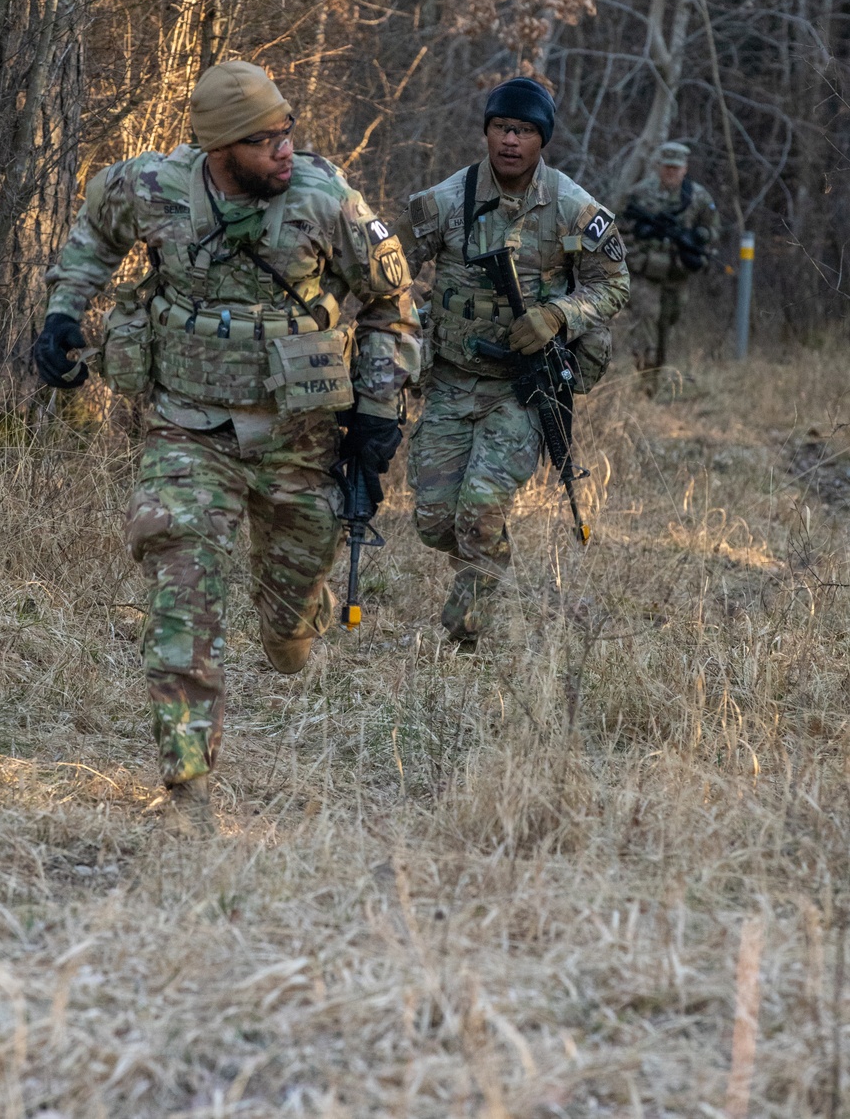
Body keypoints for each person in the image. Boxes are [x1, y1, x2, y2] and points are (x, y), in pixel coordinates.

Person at [32, 61, 420, 824]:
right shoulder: (150, 188)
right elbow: (91, 240)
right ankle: (187, 787)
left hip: (300, 437)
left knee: (286, 633)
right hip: (186, 426)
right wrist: (63, 312)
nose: (285, 149)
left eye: (287, 133)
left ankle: (296, 614)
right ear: (219, 147)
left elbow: (390, 301)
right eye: (265, 139)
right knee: (183, 590)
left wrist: (378, 406)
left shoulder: (324, 198)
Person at [392, 77, 629, 647]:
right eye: (502, 127)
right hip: (450, 379)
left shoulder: (573, 207)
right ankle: (486, 550)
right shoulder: (446, 201)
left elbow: (614, 285)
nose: (511, 140)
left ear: (541, 140)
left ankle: (467, 626)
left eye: (523, 130)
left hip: (521, 389)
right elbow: (386, 272)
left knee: (479, 506)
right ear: (487, 132)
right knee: (432, 521)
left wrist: (560, 315)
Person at [622, 140, 720, 374]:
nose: (671, 172)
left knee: (668, 323)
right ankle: (644, 376)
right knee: (646, 317)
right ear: (659, 167)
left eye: (676, 168)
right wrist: (636, 249)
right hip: (645, 272)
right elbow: (620, 230)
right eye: (667, 167)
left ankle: (659, 373)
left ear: (684, 169)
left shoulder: (698, 197)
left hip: (677, 272)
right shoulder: (640, 193)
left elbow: (714, 230)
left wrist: (697, 235)